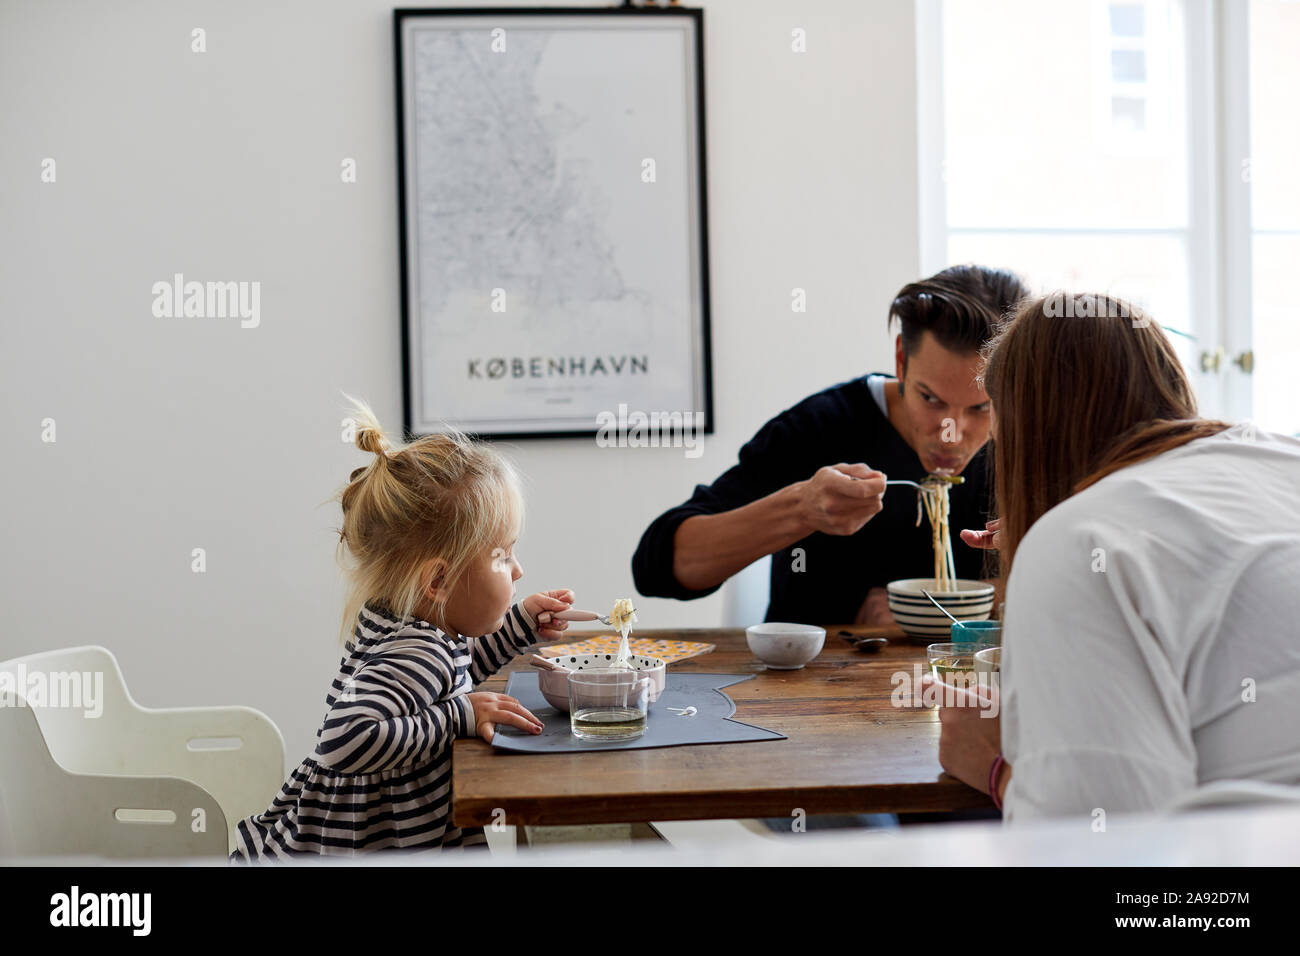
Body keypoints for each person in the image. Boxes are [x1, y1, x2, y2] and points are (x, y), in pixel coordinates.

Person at [933, 292, 1300, 821]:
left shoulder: (1081, 543)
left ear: (1027, 436)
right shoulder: (1277, 456)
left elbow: (1106, 845)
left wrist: (993, 765)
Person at [231, 396, 575, 860]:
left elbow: (455, 671)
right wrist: (462, 717)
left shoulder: (413, 626)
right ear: (438, 581)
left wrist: (518, 626)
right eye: (503, 555)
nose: (517, 570)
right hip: (365, 847)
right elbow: (343, 740)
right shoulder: (416, 652)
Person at [632, 265, 1029, 626]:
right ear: (901, 361)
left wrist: (972, 600)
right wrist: (800, 508)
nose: (951, 434)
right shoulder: (821, 427)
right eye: (930, 399)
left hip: (978, 687)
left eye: (980, 408)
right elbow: (659, 567)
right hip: (810, 691)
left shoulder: (1030, 440)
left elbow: (1086, 574)